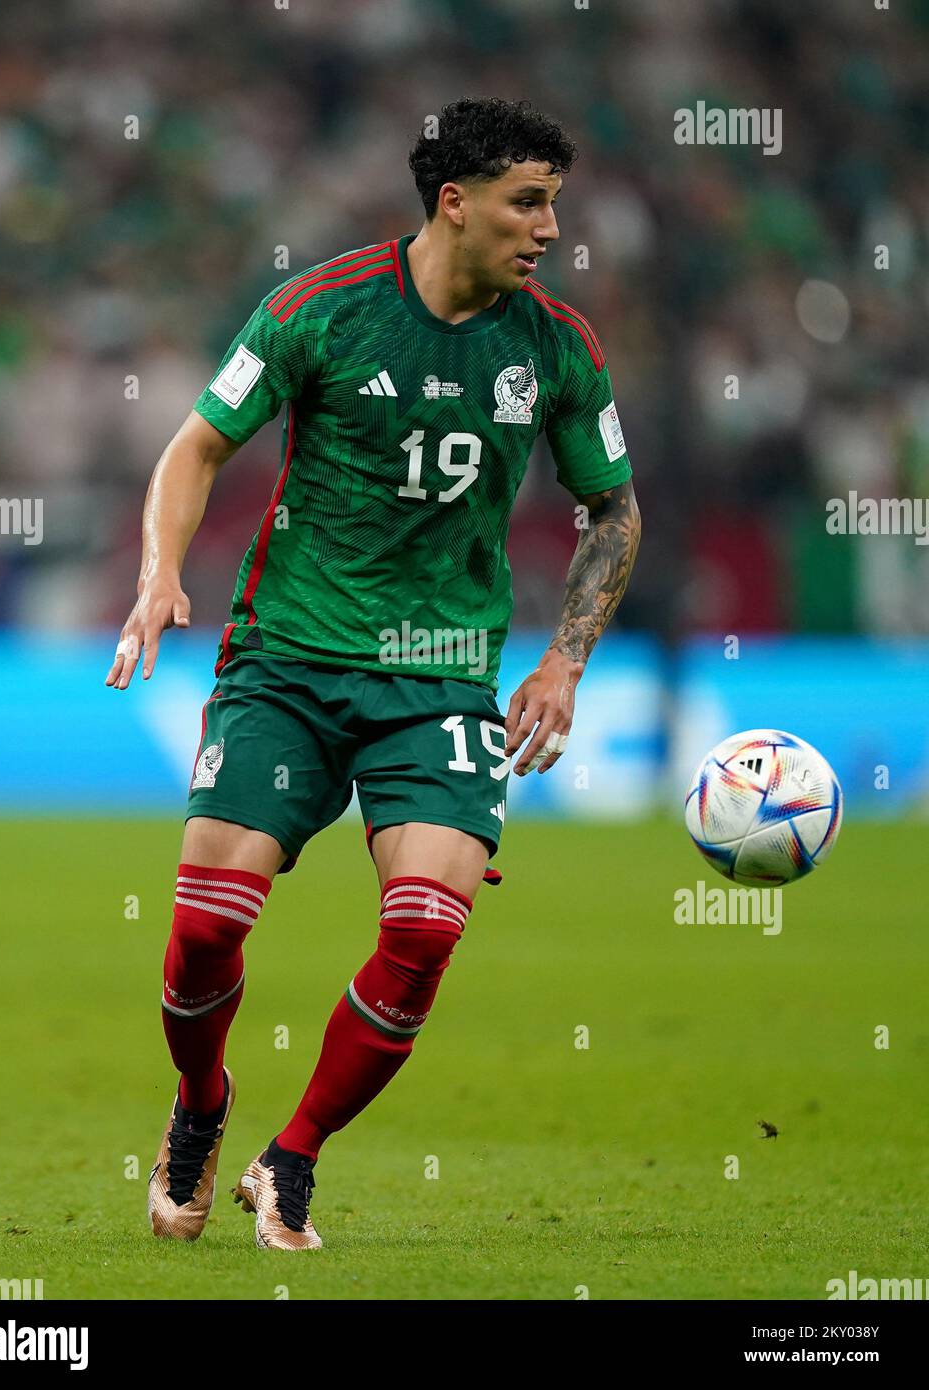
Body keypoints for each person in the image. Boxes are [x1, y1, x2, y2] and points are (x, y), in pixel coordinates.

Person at [106, 96, 640, 1251]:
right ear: (454, 203)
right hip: (287, 663)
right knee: (204, 930)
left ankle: (290, 1158)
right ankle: (200, 1102)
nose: (549, 229)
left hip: (440, 682)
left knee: (425, 931)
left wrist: (564, 657)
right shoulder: (321, 308)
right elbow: (196, 444)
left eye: (552, 204)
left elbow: (613, 508)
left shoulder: (555, 345)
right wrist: (158, 576)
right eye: (527, 203)